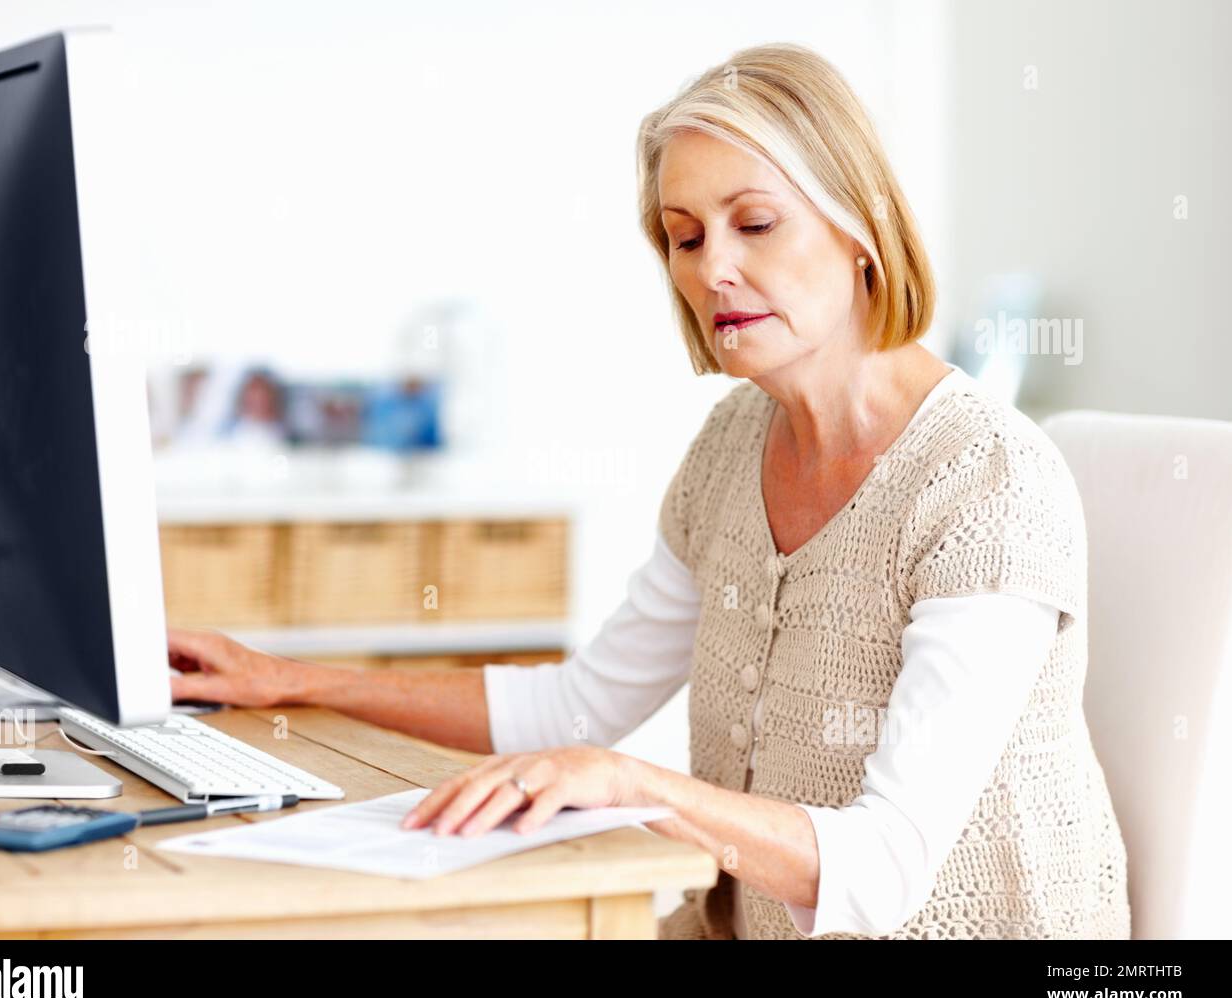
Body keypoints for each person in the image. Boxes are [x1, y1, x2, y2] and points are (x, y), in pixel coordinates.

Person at [168, 43, 1131, 940]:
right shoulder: (728, 450)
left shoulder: (986, 479)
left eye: (755, 223)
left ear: (860, 227)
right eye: (683, 236)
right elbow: (577, 707)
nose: (712, 268)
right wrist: (288, 679)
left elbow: (881, 869)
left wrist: (630, 784)